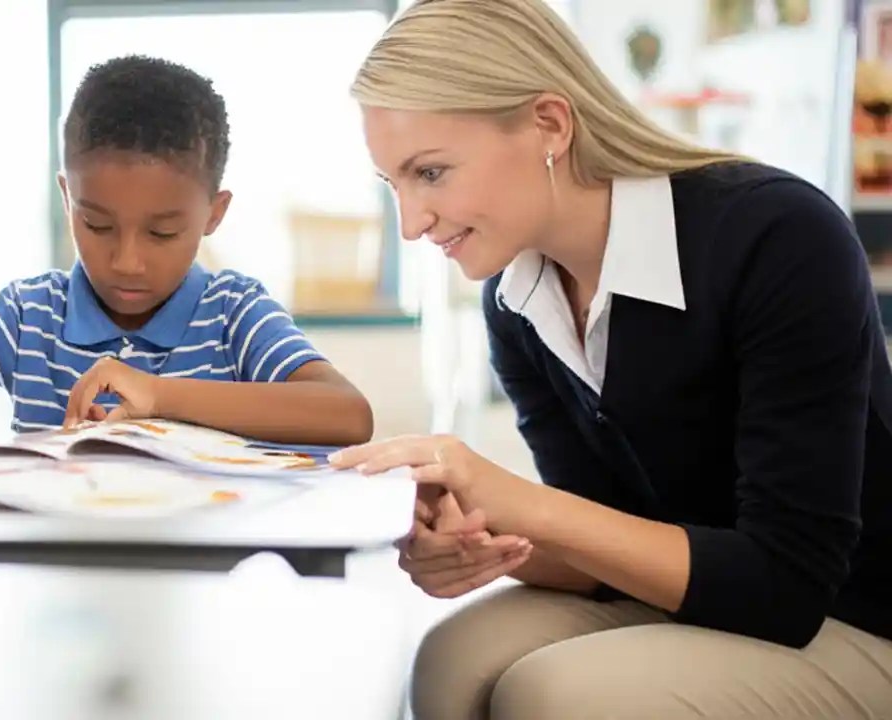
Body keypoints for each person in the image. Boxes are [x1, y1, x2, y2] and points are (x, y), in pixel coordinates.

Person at [329, 1, 892, 717]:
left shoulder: (778, 238)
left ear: (550, 125)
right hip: (713, 595)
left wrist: (518, 500)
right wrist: (487, 542)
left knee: (555, 695)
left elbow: (786, 584)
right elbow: (605, 536)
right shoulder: (519, 301)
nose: (411, 224)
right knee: (451, 660)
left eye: (431, 173)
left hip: (855, 612)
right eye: (394, 185)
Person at [0, 55, 373, 446]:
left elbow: (347, 415)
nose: (127, 261)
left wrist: (160, 395)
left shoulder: (235, 313)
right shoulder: (30, 317)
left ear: (214, 214)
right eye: (96, 224)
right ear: (68, 199)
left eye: (162, 233)